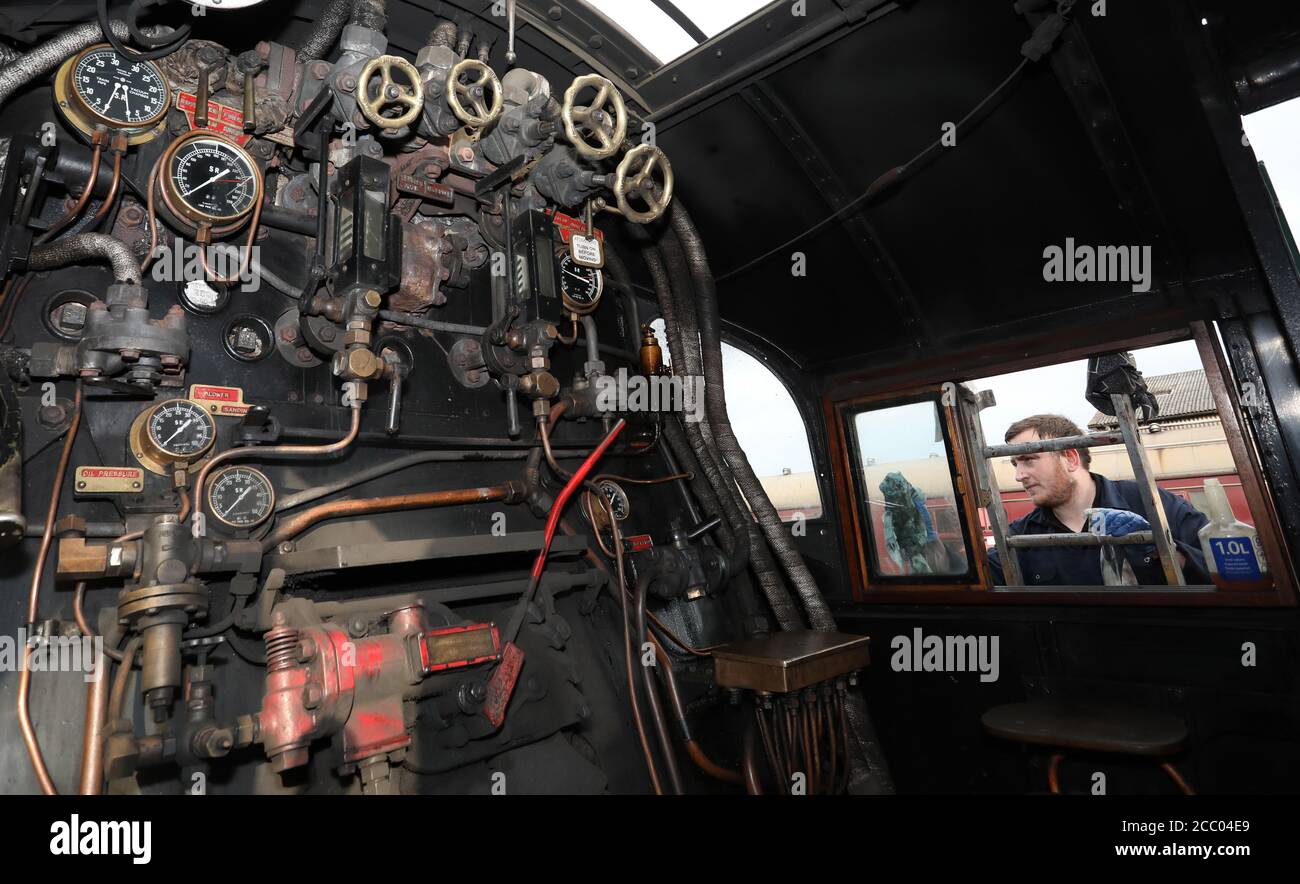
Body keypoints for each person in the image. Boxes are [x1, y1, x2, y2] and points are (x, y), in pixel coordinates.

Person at [987, 414, 1211, 586]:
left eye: (1029, 460)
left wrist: (1165, 550)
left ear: (1071, 458)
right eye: (1016, 464)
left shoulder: (1152, 504)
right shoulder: (1020, 535)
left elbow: (1229, 570)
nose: (1019, 476)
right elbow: (977, 579)